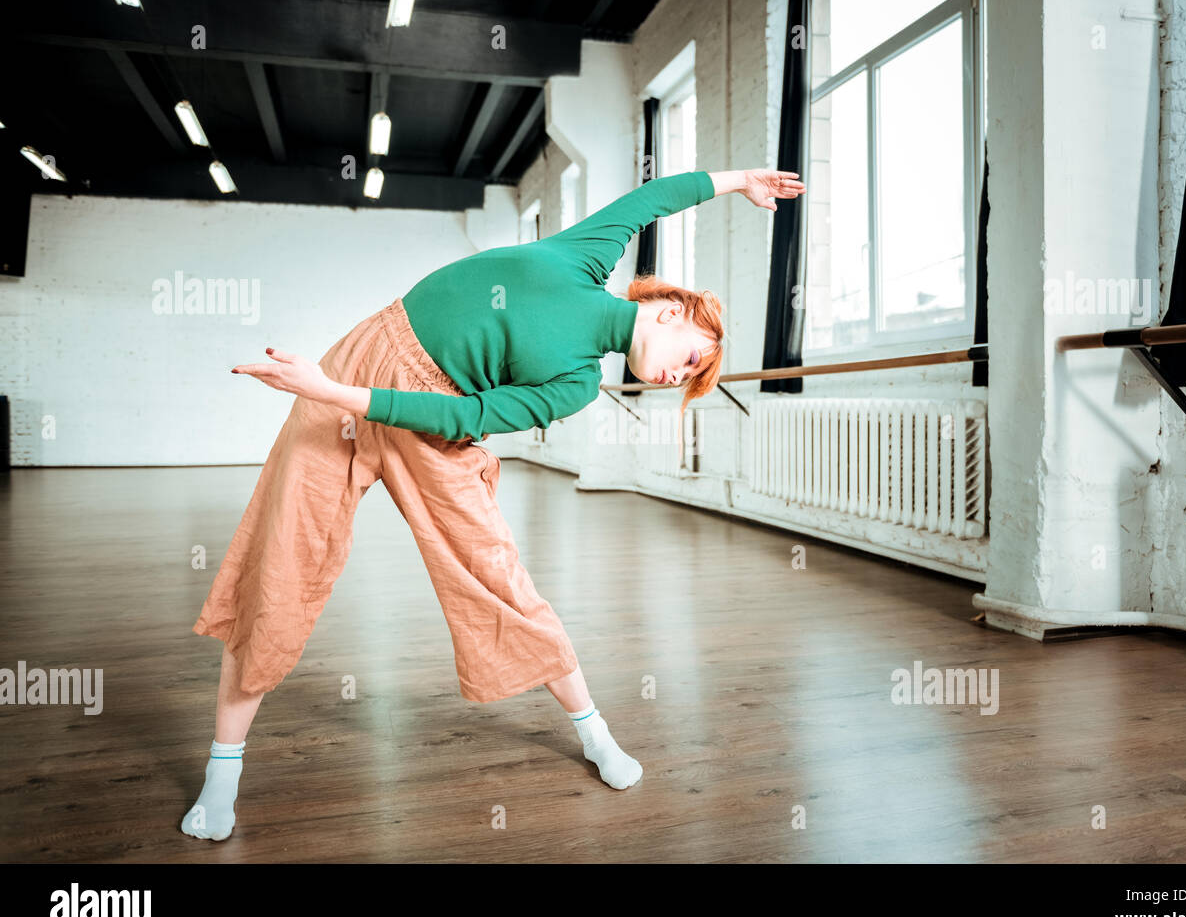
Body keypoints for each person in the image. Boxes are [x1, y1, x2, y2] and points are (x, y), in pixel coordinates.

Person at [181, 167, 806, 840]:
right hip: (362, 357)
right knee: (280, 561)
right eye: (691, 360)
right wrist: (740, 180)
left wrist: (331, 394)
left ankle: (594, 734)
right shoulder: (583, 257)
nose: (676, 376)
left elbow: (465, 415)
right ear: (673, 311)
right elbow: (655, 198)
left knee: (498, 577)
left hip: (424, 418)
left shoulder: (577, 384)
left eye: (686, 380)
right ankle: (223, 772)